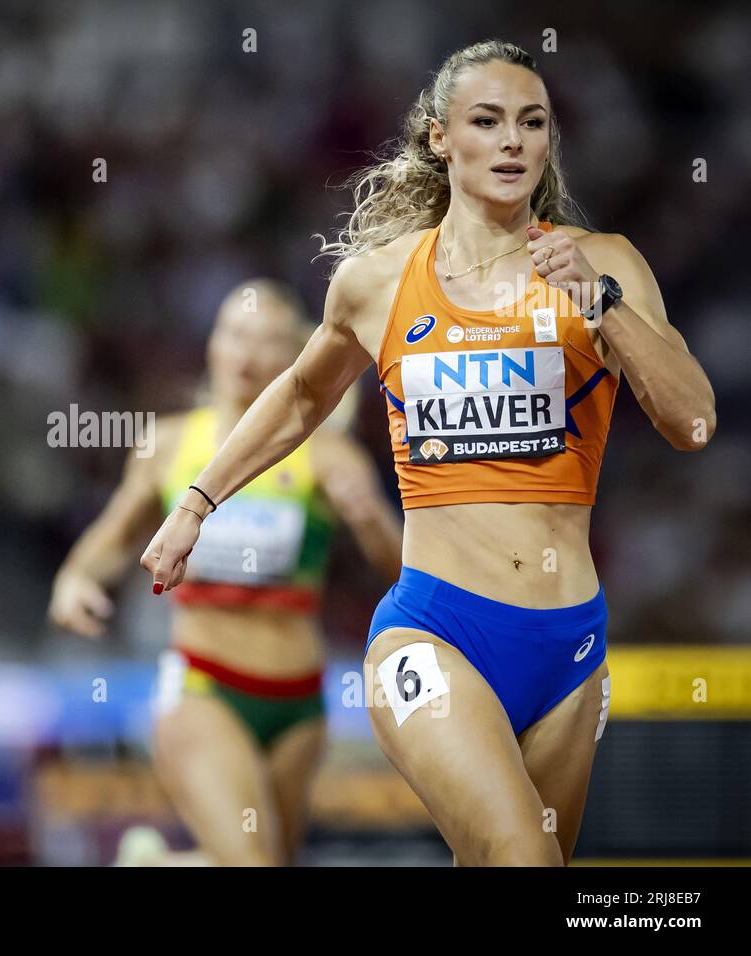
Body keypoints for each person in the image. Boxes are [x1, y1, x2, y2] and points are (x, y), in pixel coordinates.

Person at [140, 40, 716, 866]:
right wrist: (196, 504)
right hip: (436, 630)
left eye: (533, 123)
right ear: (443, 138)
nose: (514, 141)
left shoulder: (607, 262)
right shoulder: (377, 284)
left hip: (572, 647)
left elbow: (693, 422)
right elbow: (303, 397)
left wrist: (603, 302)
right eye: (488, 121)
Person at [51, 281, 401, 865]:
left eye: (267, 342)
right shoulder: (167, 445)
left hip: (298, 705)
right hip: (202, 687)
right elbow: (111, 537)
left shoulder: (328, 455)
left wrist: (369, 520)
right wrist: (74, 580)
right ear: (212, 344)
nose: (246, 354)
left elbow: (401, 568)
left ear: (295, 357)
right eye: (235, 334)